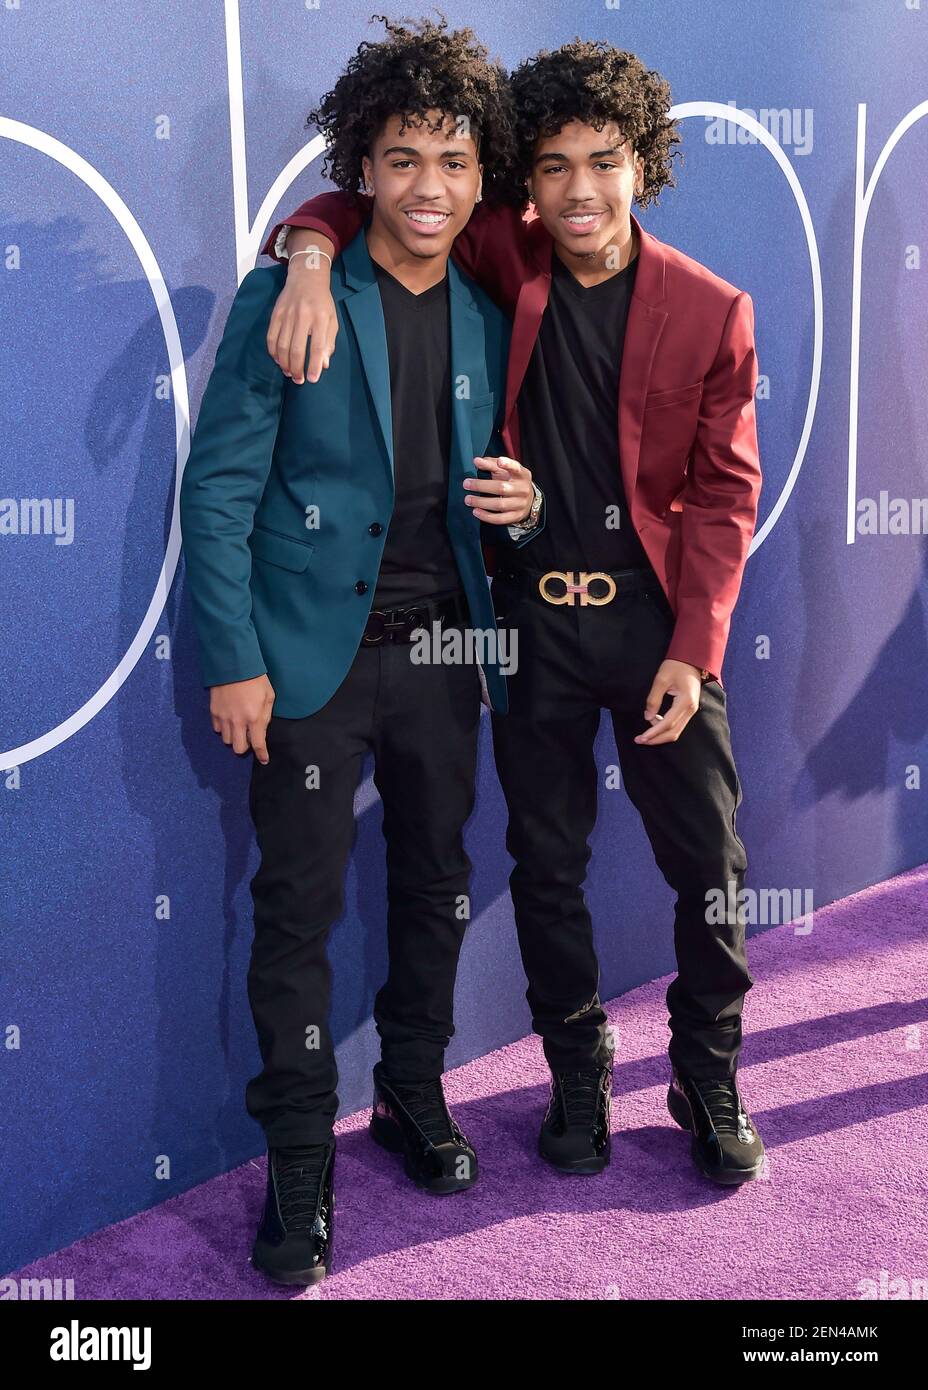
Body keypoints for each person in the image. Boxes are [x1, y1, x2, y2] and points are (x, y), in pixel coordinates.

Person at [260, 38, 767, 1189]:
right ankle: (577, 1072)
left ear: (645, 163)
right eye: (550, 167)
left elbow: (725, 499)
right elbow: (367, 198)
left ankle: (706, 1066)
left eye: (603, 161)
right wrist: (300, 252)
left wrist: (695, 650)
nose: (578, 190)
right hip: (529, 623)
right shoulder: (505, 247)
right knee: (545, 864)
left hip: (655, 627)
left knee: (713, 867)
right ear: (522, 183)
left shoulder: (710, 308)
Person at [180, 16, 539, 1286]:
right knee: (298, 909)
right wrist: (234, 654)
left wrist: (528, 506)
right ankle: (297, 1155)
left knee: (436, 882)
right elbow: (218, 491)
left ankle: (410, 1090)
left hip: (447, 652)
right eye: (399, 159)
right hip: (305, 662)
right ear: (363, 167)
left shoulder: (501, 313)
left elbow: (511, 481)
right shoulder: (291, 292)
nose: (426, 186)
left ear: (480, 172)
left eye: (450, 159)